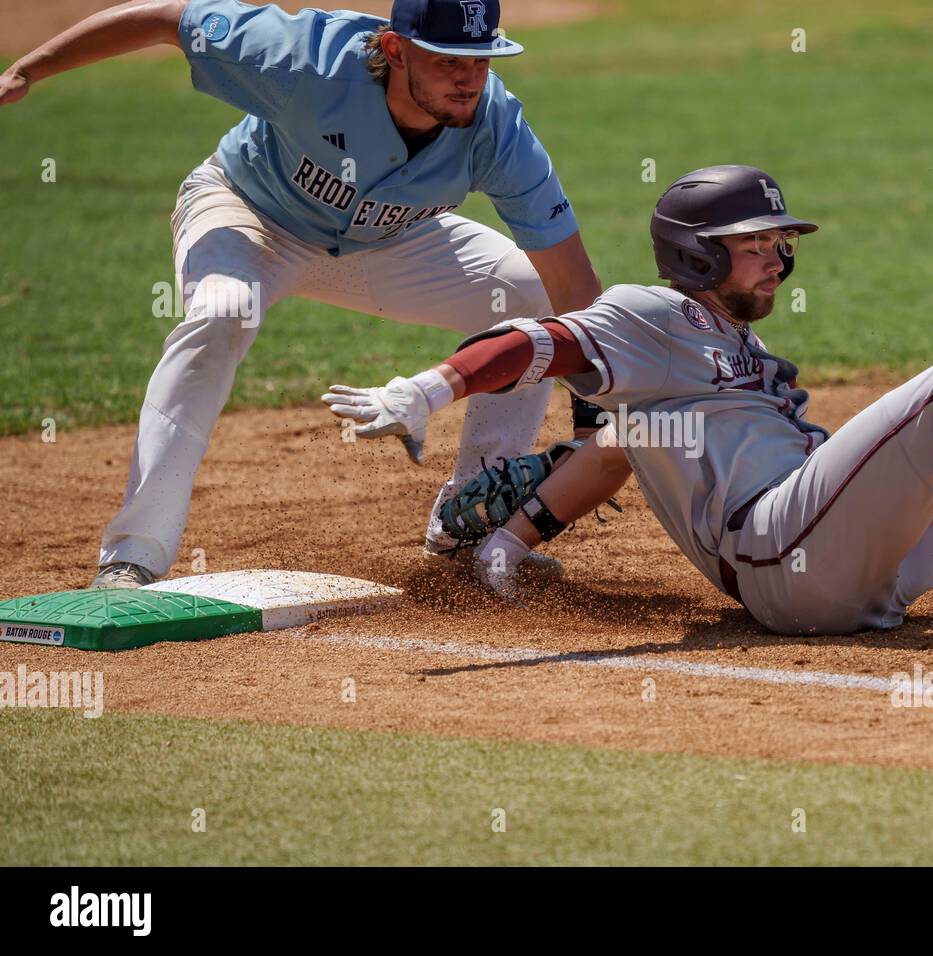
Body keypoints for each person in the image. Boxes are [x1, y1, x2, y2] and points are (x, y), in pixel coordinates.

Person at [324, 165, 933, 668]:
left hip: (841, 570)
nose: (777, 261)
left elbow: (621, 446)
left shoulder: (700, 371)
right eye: (756, 246)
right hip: (787, 560)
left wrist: (515, 537)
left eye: (781, 244)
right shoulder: (650, 316)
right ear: (696, 257)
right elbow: (539, 343)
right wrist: (428, 390)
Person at [0, 0, 602, 588]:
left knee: (528, 290)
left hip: (392, 237)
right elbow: (165, 19)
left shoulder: (497, 127)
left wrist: (599, 410)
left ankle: (469, 524)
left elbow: (572, 281)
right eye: (447, 61)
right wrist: (27, 71)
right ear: (395, 49)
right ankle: (132, 555)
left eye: (480, 60)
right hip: (252, 216)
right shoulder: (302, 61)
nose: (468, 79)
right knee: (223, 313)